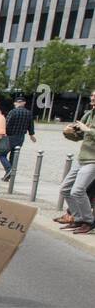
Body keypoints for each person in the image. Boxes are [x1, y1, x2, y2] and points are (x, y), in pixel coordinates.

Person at [55, 90, 95, 235]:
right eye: (92, 96)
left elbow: (88, 132)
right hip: (82, 158)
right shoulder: (89, 114)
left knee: (78, 190)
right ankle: (77, 219)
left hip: (93, 160)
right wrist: (70, 132)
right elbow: (79, 136)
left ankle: (88, 221)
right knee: (65, 189)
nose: (92, 98)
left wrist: (88, 130)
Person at [1, 95, 36, 180]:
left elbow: (7, 124)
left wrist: (2, 133)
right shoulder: (28, 113)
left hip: (9, 137)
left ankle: (9, 170)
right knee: (14, 156)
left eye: (18, 102)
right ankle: (9, 175)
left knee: (1, 154)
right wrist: (32, 135)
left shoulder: (12, 112)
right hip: (20, 138)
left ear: (15, 103)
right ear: (24, 103)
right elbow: (30, 126)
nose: (18, 103)